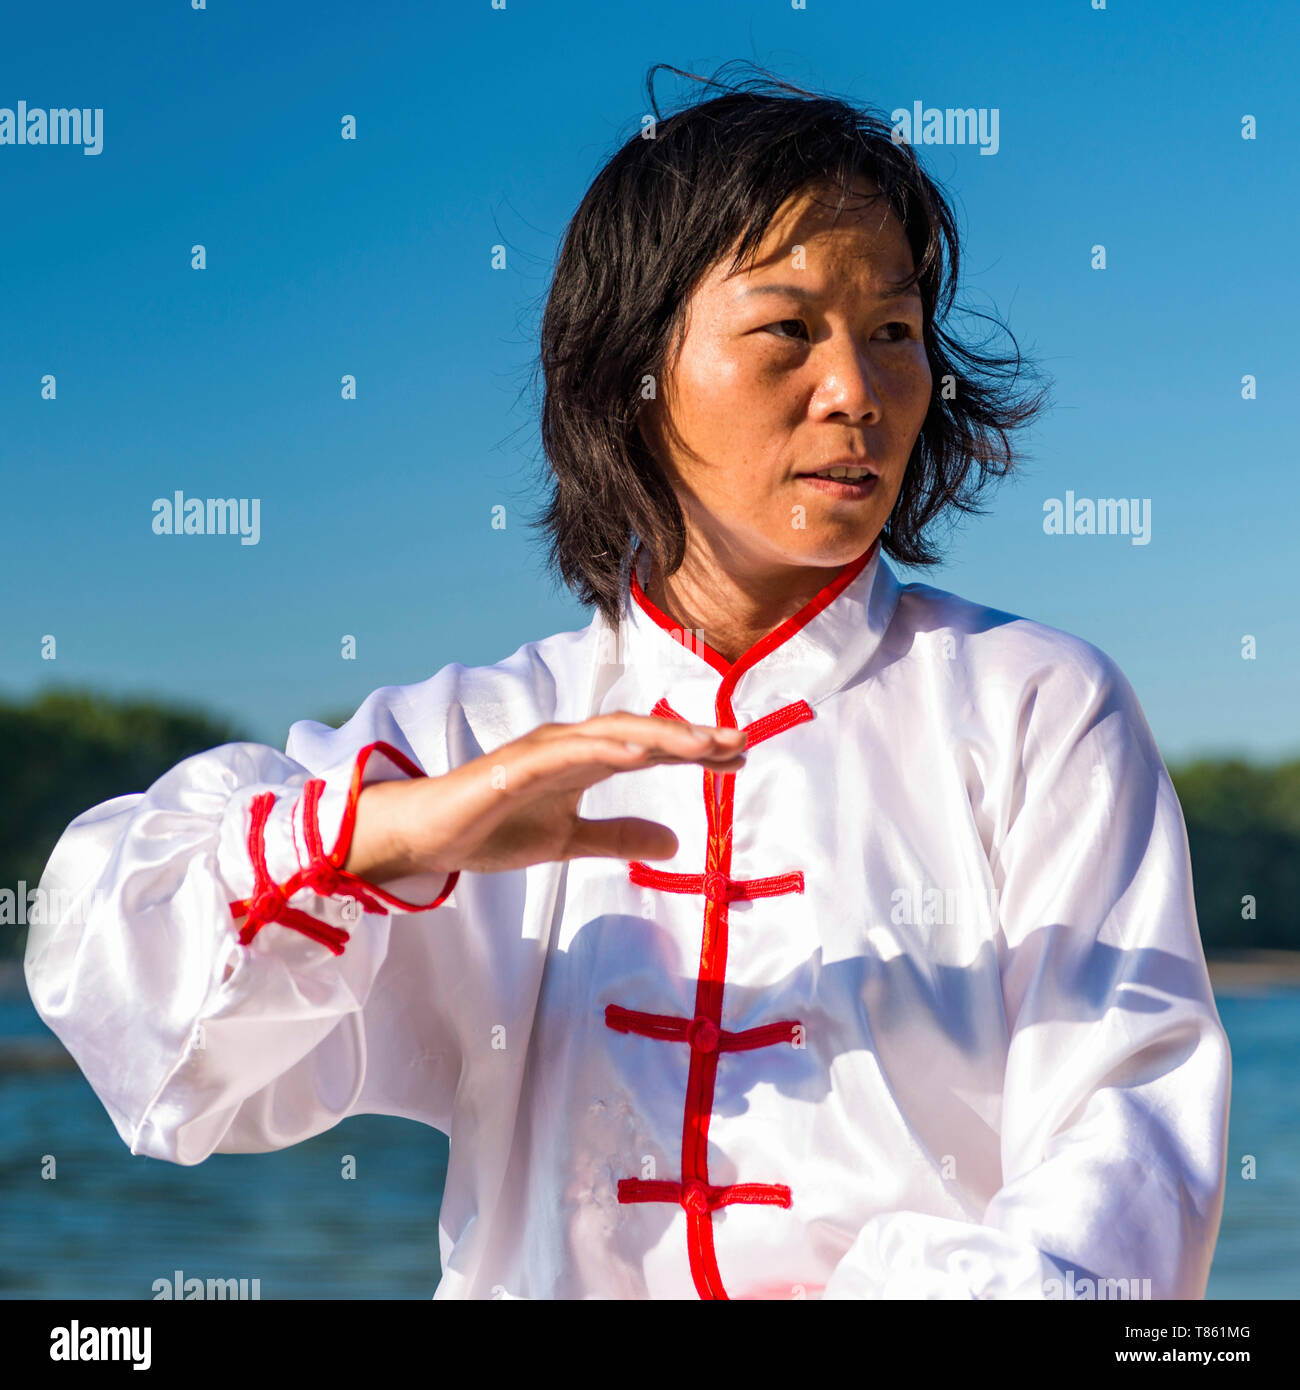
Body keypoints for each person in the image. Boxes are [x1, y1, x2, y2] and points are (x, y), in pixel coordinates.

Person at [24, 65, 1230, 1301]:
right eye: (787, 329)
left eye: (894, 332)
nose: (856, 393)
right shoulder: (475, 736)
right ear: (631, 370)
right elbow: (129, 1001)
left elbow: (1128, 1141)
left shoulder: (1035, 707)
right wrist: (382, 837)